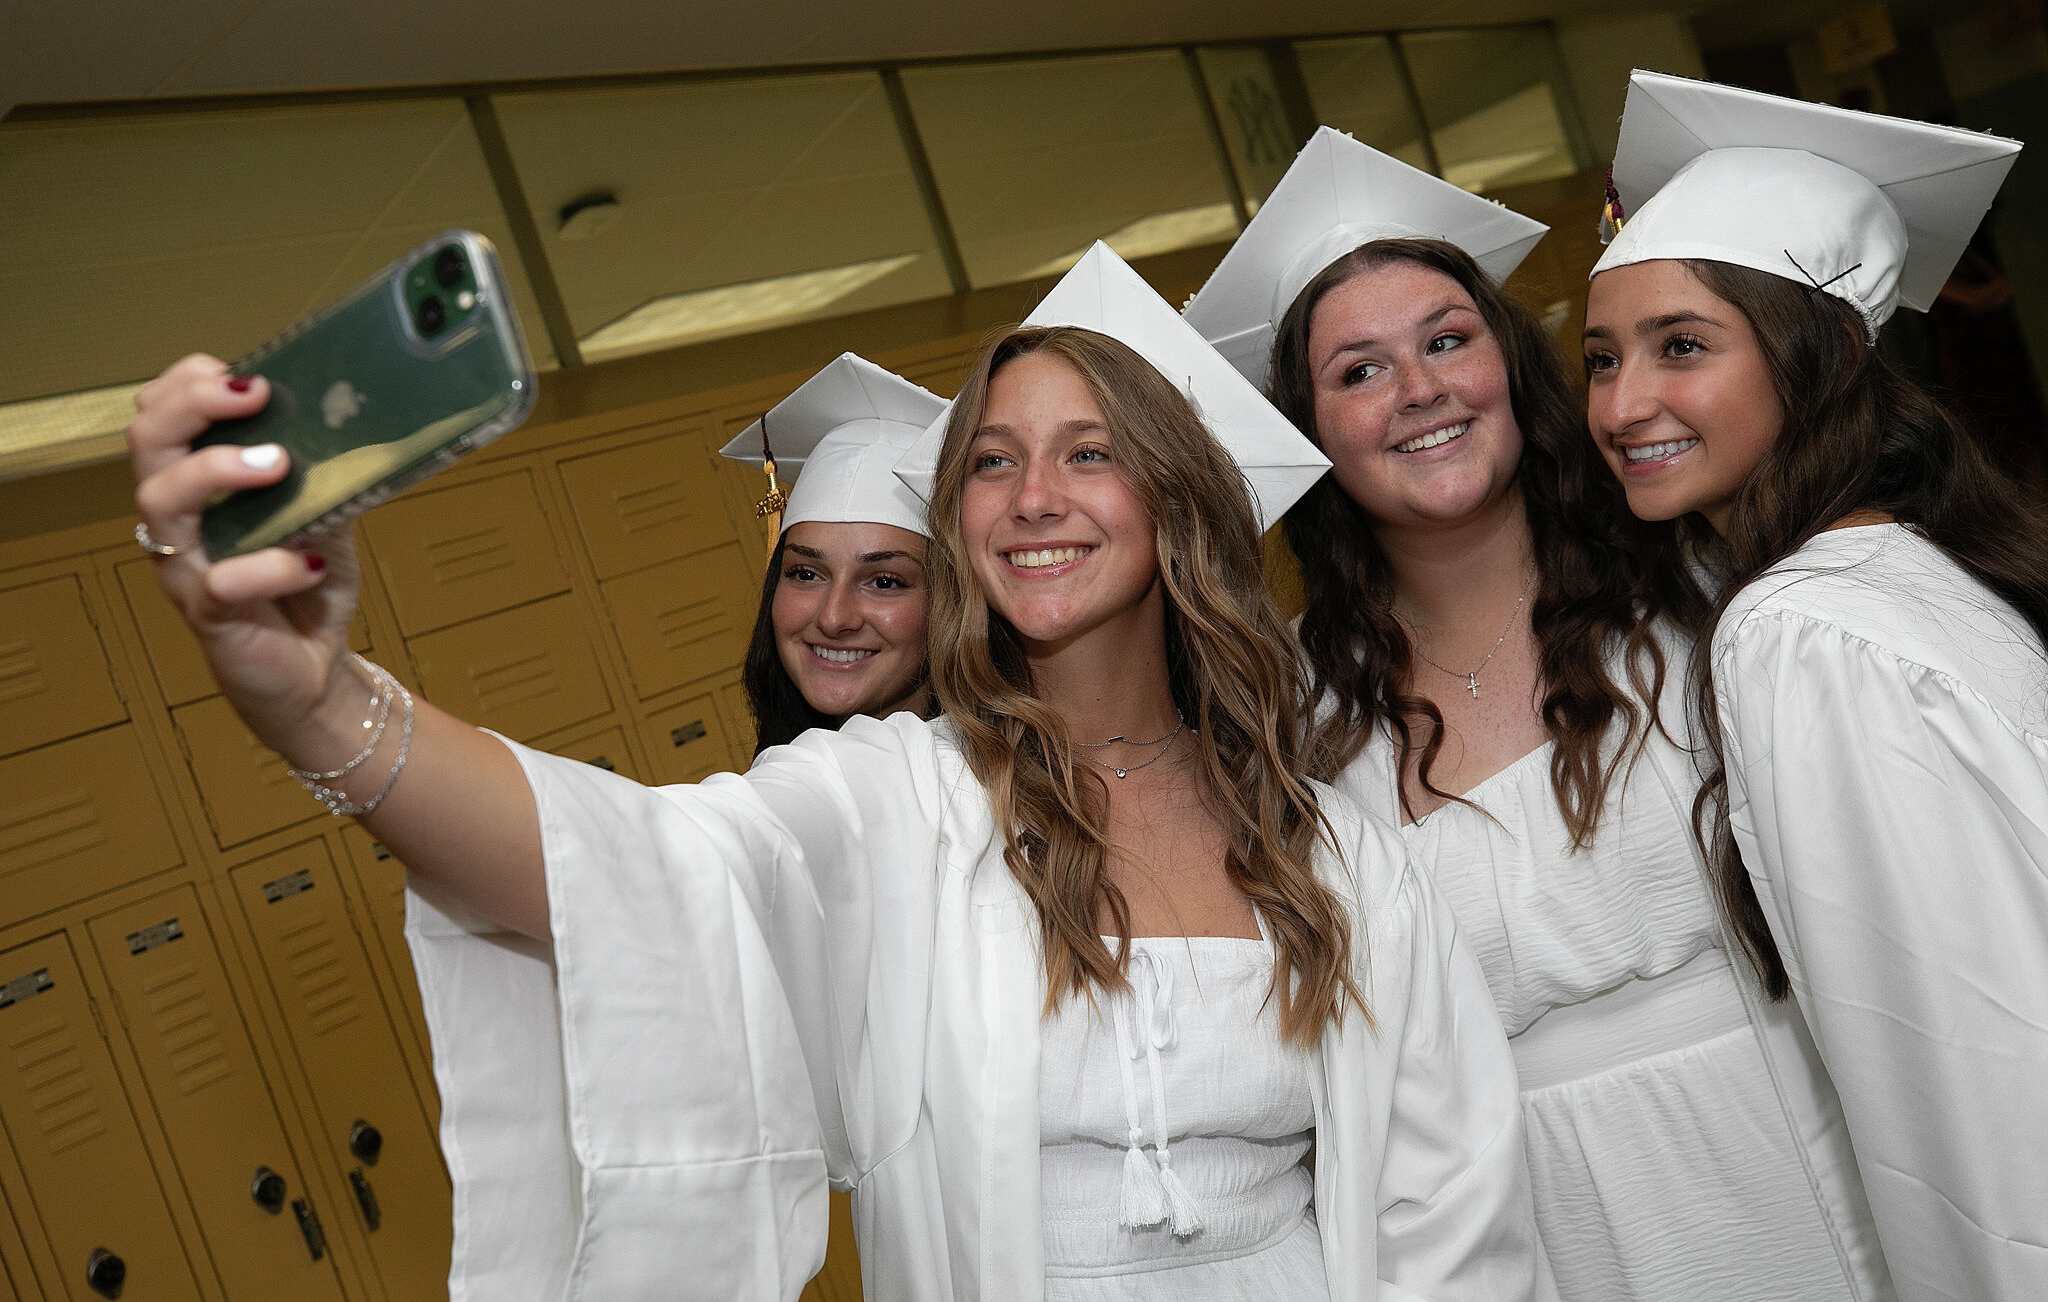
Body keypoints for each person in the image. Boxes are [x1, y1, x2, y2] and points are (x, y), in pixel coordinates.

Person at [128, 241, 1552, 1302]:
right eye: (991, 462)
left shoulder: (1326, 845)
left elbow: (1451, 1215)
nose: (1032, 496)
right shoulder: (907, 804)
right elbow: (625, 866)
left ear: (1177, 501)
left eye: (1088, 454)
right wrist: (312, 696)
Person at [1185, 126, 1891, 1300]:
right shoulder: (1293, 720)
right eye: (1357, 371)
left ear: (1510, 366)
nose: (1417, 391)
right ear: (1310, 434)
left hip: (1801, 1141)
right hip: (1524, 1216)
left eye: (1446, 341)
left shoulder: (1702, 595)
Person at [1582, 69, 2041, 1301]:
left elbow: (1961, 1068)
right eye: (1599, 358)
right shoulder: (1917, 566)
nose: (1622, 405)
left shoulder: (1799, 633)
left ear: (1826, 351)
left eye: (1680, 347)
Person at [720, 353, 946, 754]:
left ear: (952, 601)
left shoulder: (990, 784)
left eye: (884, 582)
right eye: (806, 573)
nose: (833, 618)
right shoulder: (784, 766)